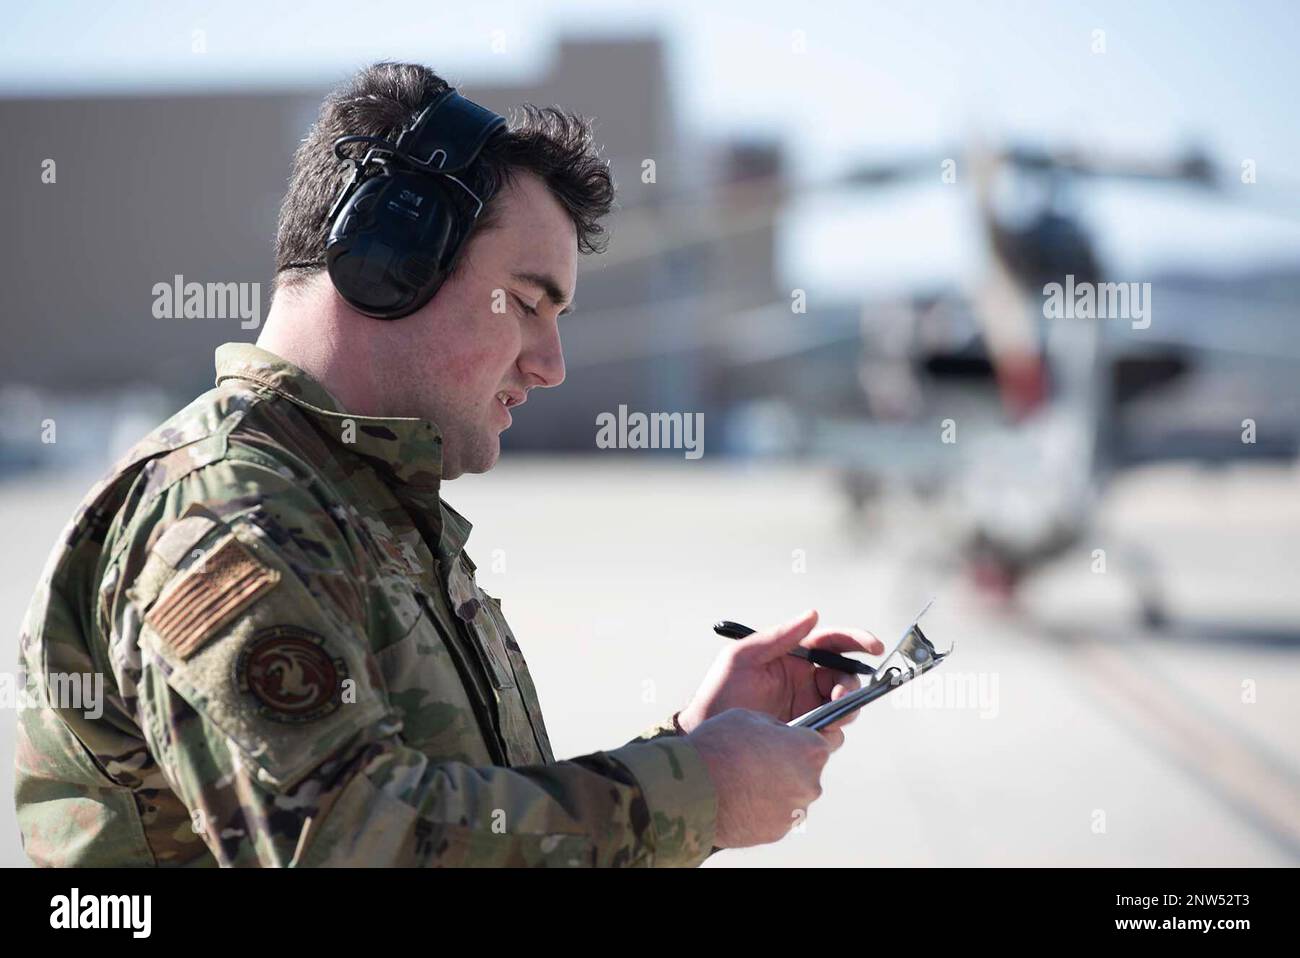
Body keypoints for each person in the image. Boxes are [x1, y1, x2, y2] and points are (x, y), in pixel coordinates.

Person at [14, 61, 881, 867]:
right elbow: (353, 841)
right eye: (528, 304)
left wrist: (692, 744)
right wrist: (698, 793)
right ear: (391, 260)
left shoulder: (352, 498)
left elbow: (456, 805)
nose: (552, 363)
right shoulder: (228, 513)